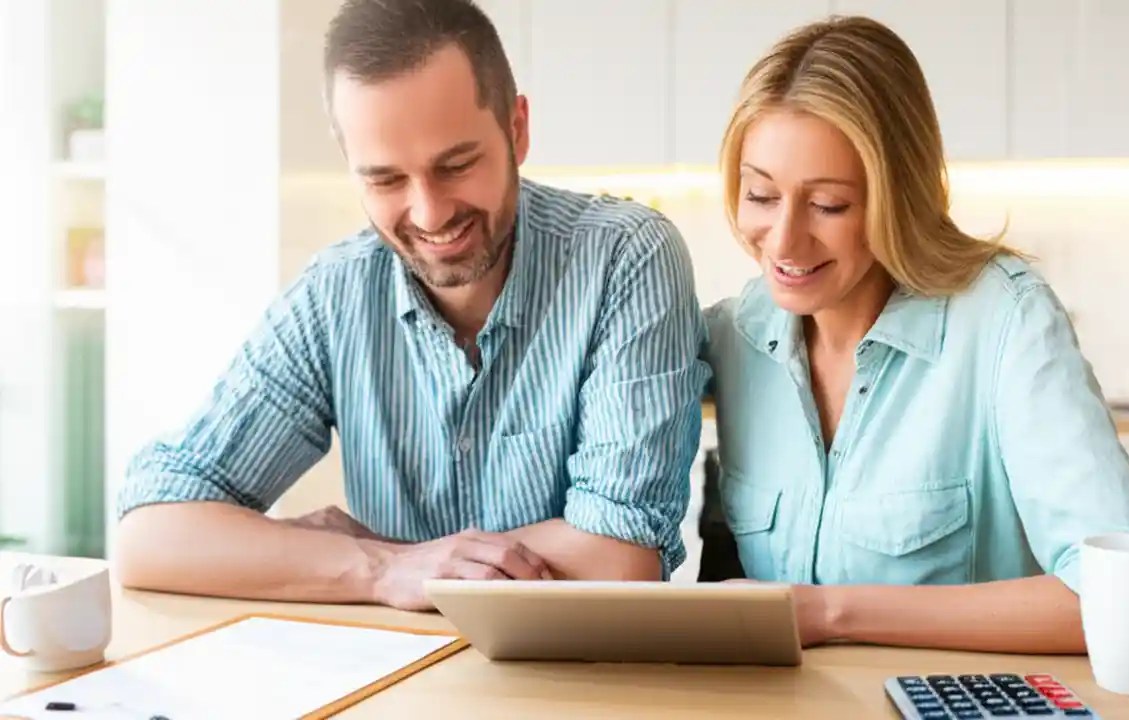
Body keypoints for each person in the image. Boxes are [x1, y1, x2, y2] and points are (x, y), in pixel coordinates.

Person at [115, 0, 709, 611]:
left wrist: (397, 568)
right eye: (385, 180)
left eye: (456, 165)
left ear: (517, 128)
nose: (429, 214)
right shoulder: (334, 295)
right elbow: (151, 536)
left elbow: (618, 560)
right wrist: (381, 570)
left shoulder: (624, 257)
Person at [702, 15, 1129, 653]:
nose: (782, 242)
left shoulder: (1006, 323)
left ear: (901, 194)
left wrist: (827, 613)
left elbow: (1127, 601)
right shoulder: (734, 335)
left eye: (829, 204)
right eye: (760, 195)